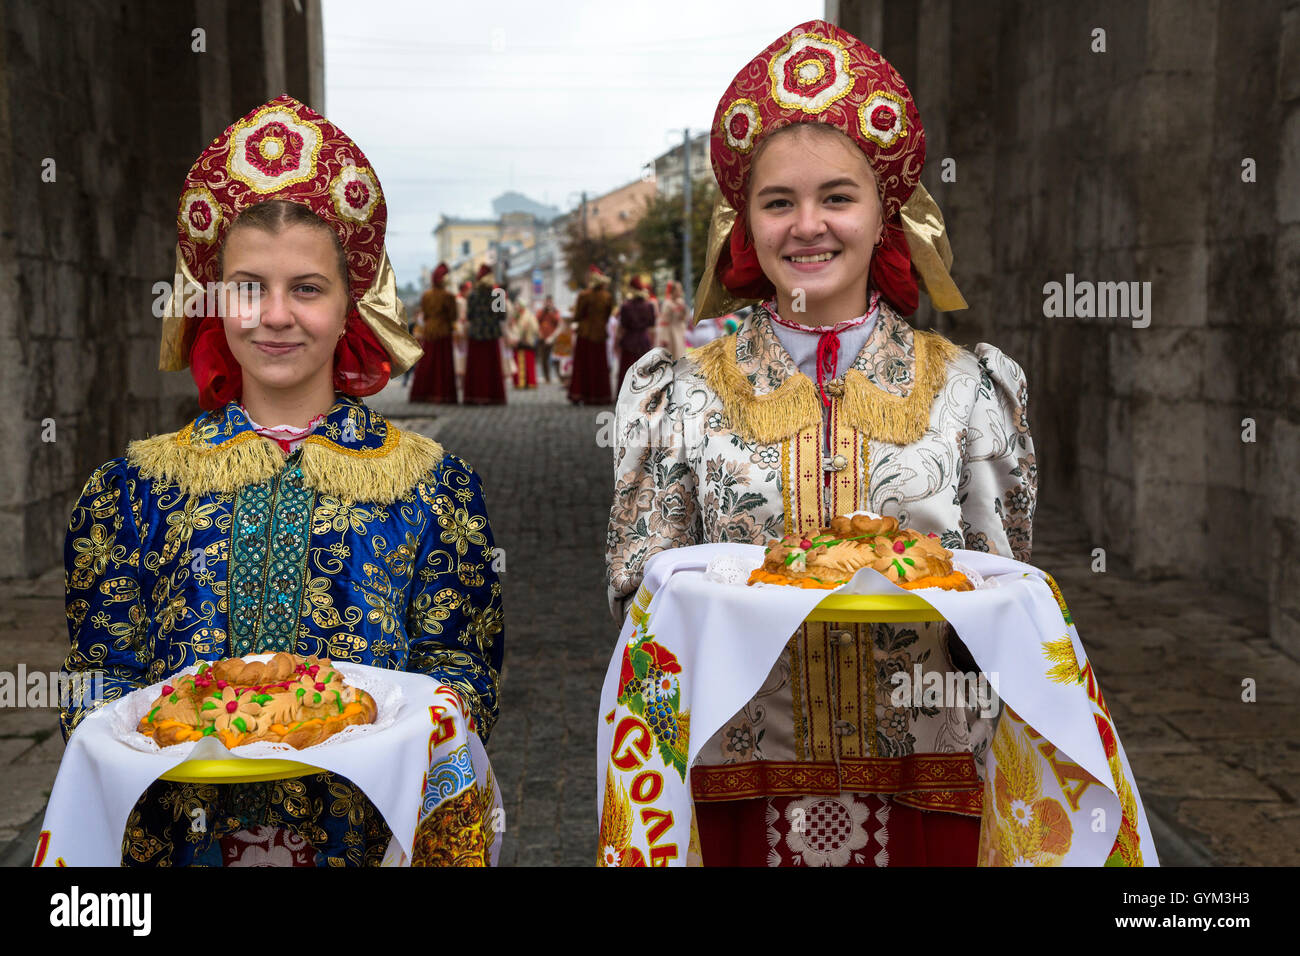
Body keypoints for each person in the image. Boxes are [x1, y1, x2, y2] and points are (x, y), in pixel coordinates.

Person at [606, 21, 1039, 866]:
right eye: (779, 202)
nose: (809, 227)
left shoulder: (969, 391)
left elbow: (1005, 585)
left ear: (888, 216)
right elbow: (639, 603)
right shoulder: (677, 396)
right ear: (746, 225)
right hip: (738, 787)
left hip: (930, 784)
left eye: (838, 198)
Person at [59, 95, 505, 866]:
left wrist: (417, 725)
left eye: (307, 287)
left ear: (349, 306)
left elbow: (463, 661)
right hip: (184, 837)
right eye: (246, 287)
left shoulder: (434, 487)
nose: (274, 317)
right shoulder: (131, 488)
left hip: (366, 836)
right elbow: (100, 669)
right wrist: (116, 730)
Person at [408, 262, 458, 403]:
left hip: (429, 331)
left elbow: (425, 314)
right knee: (443, 365)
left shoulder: (426, 295)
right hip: (443, 332)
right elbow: (453, 316)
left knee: (427, 364)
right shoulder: (448, 296)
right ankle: (443, 394)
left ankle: (422, 393)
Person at [567, 265, 613, 405]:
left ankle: (580, 393)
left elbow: (577, 315)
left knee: (583, 365)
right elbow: (607, 315)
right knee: (599, 365)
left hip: (585, 335)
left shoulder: (584, 295)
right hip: (599, 334)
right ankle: (600, 395)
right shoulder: (607, 296)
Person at [463, 264, 507, 405]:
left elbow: (469, 316)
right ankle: (493, 396)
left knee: (476, 367)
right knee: (491, 367)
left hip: (476, 335)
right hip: (491, 335)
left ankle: (474, 396)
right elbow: (501, 316)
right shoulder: (497, 294)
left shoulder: (472, 295)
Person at [615, 274, 656, 392]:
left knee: (627, 369)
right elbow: (651, 327)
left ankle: (625, 394)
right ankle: (644, 394)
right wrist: (652, 343)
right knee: (644, 370)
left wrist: (617, 342)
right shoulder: (649, 306)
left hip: (629, 341)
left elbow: (622, 327)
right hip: (644, 341)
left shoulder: (626, 306)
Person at [655, 279, 689, 359]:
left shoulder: (681, 302)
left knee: (680, 354)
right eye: (678, 290)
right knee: (672, 355)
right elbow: (664, 322)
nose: (680, 291)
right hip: (670, 334)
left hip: (679, 332)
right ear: (673, 291)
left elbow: (683, 318)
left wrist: (684, 310)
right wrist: (664, 338)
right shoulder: (667, 304)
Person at [512, 296, 540, 389]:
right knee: (517, 363)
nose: (517, 307)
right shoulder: (515, 315)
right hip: (517, 342)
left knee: (529, 364)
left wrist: (529, 328)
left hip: (527, 342)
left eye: (518, 305)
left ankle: (530, 382)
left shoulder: (530, 315)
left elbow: (535, 328)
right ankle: (519, 383)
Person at [535, 294, 561, 383]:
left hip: (553, 338)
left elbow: (557, 321)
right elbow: (537, 320)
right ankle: (547, 378)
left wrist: (551, 312)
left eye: (550, 302)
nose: (548, 304)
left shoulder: (555, 311)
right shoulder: (541, 311)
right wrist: (544, 311)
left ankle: (559, 376)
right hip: (542, 338)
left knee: (556, 358)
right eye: (547, 302)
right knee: (544, 359)